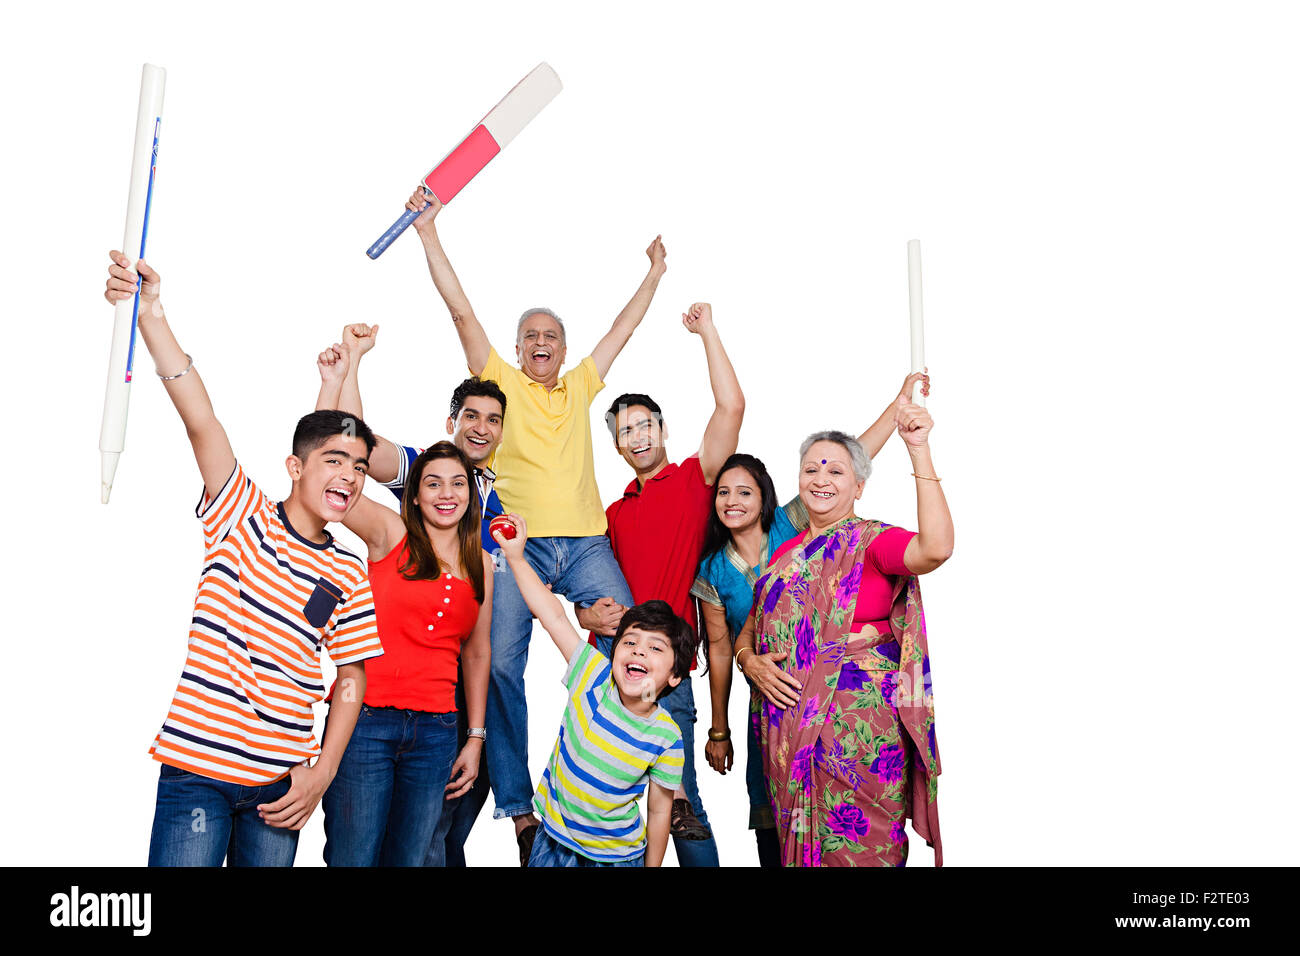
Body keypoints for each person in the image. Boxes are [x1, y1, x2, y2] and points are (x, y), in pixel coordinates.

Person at [403, 188, 666, 863]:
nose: (542, 343)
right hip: (515, 550)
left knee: (636, 631)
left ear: (564, 349)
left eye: (552, 336)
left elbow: (622, 330)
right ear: (518, 352)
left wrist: (655, 275)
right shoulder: (501, 385)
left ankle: (634, 777)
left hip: (584, 545)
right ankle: (521, 808)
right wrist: (429, 231)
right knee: (502, 670)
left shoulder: (579, 386)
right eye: (532, 338)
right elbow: (460, 308)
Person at [102, 252, 383, 867]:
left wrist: (322, 772)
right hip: (198, 771)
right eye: (334, 460)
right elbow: (199, 416)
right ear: (297, 466)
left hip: (280, 787)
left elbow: (353, 677)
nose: (350, 476)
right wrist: (151, 313)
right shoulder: (240, 512)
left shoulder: (349, 569)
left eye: (359, 467)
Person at [692, 374, 929, 866]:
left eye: (745, 492)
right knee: (773, 820)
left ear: (767, 498)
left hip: (850, 714)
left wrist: (898, 407)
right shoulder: (716, 569)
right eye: (723, 493)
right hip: (777, 706)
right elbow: (724, 643)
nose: (733, 501)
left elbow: (846, 459)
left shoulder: (791, 527)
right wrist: (736, 686)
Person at [316, 324, 505, 865]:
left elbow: (477, 652)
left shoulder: (482, 563)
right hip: (365, 721)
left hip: (436, 731)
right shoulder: (390, 534)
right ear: (414, 496)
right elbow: (335, 472)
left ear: (473, 496)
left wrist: (473, 737)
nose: (447, 494)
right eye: (433, 483)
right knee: (354, 857)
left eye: (458, 485)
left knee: (414, 858)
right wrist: (344, 372)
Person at [735, 406, 953, 867]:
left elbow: (936, 548)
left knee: (867, 847)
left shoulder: (870, 541)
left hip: (861, 735)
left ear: (859, 485)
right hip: (789, 730)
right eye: (811, 468)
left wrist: (918, 449)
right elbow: (750, 628)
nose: (821, 477)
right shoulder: (783, 556)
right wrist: (748, 660)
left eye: (836, 469)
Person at [573, 301, 743, 866]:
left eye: (645, 425)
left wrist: (707, 332)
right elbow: (588, 583)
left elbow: (731, 406)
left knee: (679, 800)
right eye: (625, 432)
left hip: (670, 673)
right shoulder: (613, 512)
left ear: (662, 430)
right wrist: (583, 616)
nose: (637, 437)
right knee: (600, 794)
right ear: (617, 446)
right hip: (610, 666)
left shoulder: (694, 480)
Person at [491, 514, 694, 868]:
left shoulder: (666, 735)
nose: (639, 651)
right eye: (629, 641)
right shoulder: (593, 675)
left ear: (675, 676)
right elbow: (554, 616)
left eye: (655, 648)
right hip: (551, 843)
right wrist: (517, 558)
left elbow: (660, 809)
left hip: (616, 858)